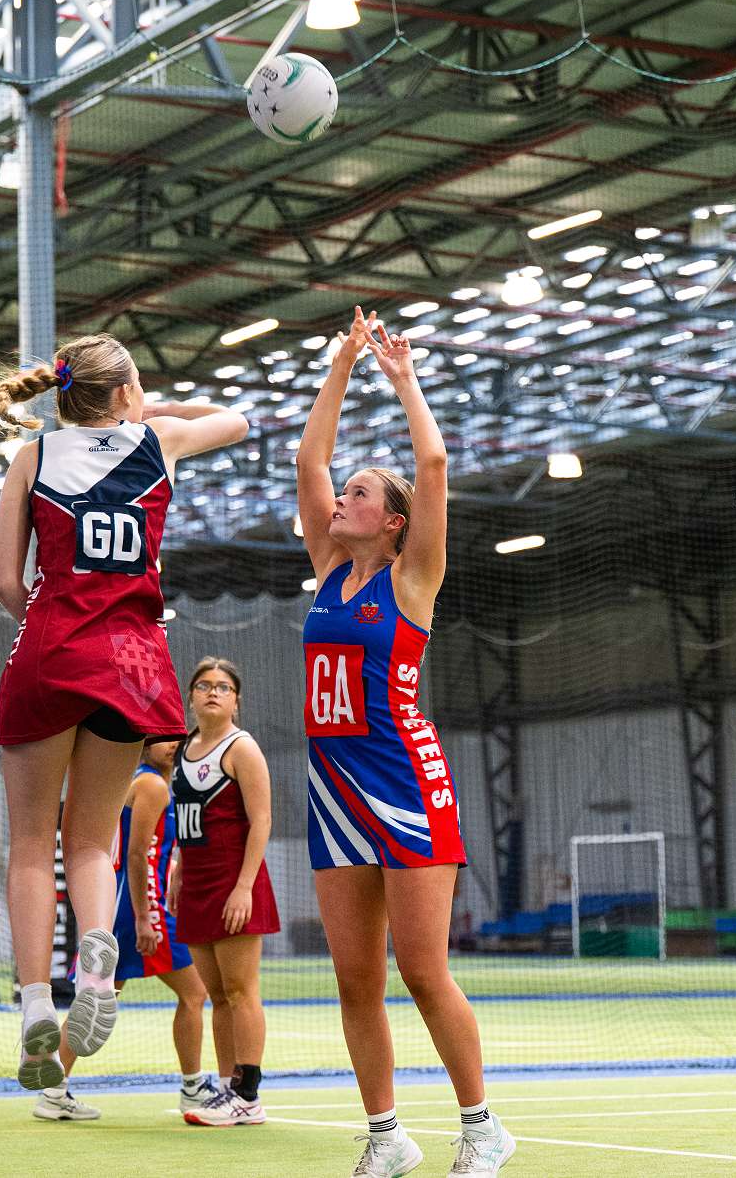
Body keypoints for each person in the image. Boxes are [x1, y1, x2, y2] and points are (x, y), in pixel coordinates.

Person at [0, 334, 247, 1092]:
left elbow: (7, 581)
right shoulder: (158, 439)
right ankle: (96, 968)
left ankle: (38, 1003)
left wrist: (44, 621)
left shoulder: (32, 457)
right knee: (93, 843)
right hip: (131, 661)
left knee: (33, 845)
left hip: (51, 647)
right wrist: (146, 410)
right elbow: (234, 418)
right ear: (129, 391)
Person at [294, 309, 514, 1176]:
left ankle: (483, 1126)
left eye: (358, 495)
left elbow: (432, 464)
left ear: (392, 522)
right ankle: (388, 1137)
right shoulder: (327, 567)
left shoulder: (412, 578)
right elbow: (310, 460)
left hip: (408, 786)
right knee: (354, 979)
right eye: (343, 493)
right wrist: (341, 362)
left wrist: (401, 378)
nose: (341, 497)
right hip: (333, 791)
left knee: (423, 971)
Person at [31, 739, 226, 1125]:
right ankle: (192, 1088)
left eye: (173, 737)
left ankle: (53, 1090)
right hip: (139, 905)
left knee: (99, 994)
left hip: (128, 902)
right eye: (157, 740)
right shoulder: (151, 785)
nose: (169, 745)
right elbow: (138, 855)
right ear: (143, 747)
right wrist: (142, 918)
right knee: (195, 991)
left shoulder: (144, 782)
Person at [165, 657, 277, 1126]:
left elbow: (262, 820)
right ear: (190, 696)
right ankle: (228, 1089)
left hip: (235, 882)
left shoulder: (242, 748)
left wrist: (244, 887)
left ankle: (248, 1095)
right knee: (216, 994)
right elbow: (185, 821)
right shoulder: (183, 749)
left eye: (224, 687)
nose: (213, 692)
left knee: (240, 989)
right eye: (205, 685)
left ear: (236, 699)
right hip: (196, 881)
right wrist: (176, 869)